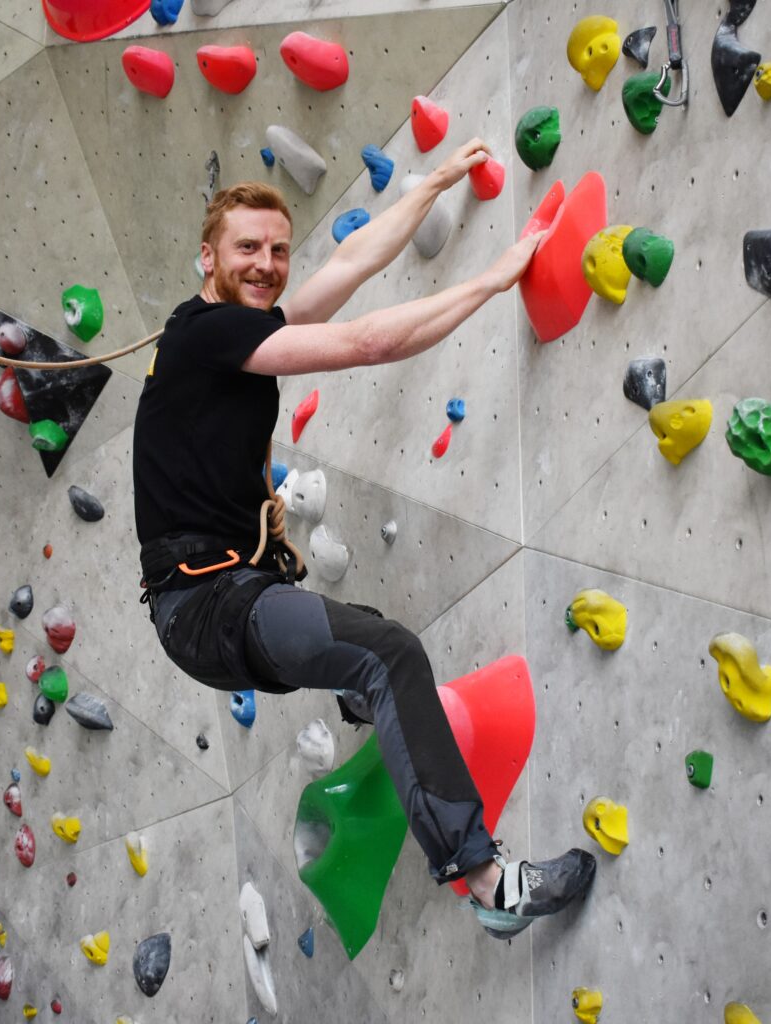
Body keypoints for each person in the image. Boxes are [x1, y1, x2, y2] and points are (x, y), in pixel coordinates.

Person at [134, 139, 595, 938]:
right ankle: (488, 882)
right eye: (247, 248)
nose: (268, 264)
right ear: (206, 258)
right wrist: (493, 277)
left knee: (365, 646)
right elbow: (367, 342)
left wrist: (437, 183)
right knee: (389, 653)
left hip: (223, 598)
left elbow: (349, 265)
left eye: (278, 250)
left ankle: (369, 703)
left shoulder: (238, 336)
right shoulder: (205, 335)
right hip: (207, 604)